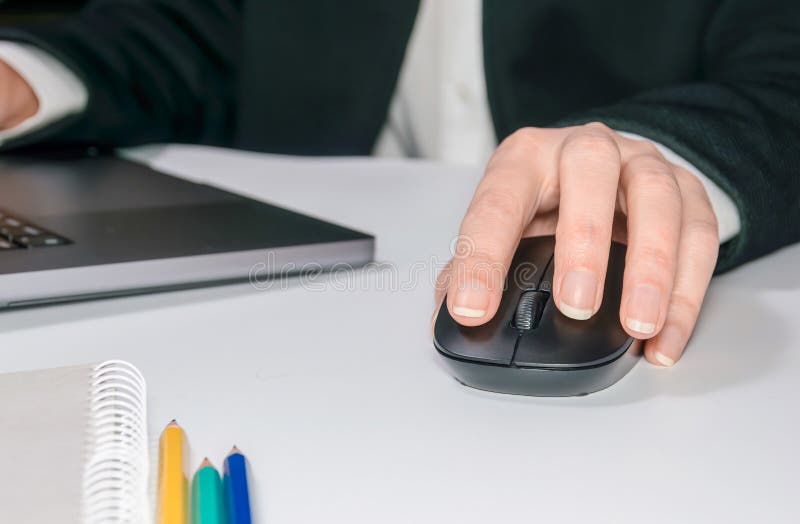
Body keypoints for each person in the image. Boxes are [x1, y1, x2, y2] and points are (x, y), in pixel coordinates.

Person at [0, 1, 797, 367]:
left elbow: (784, 63)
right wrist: (24, 76)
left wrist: (662, 153)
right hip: (291, 305)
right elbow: (197, 28)